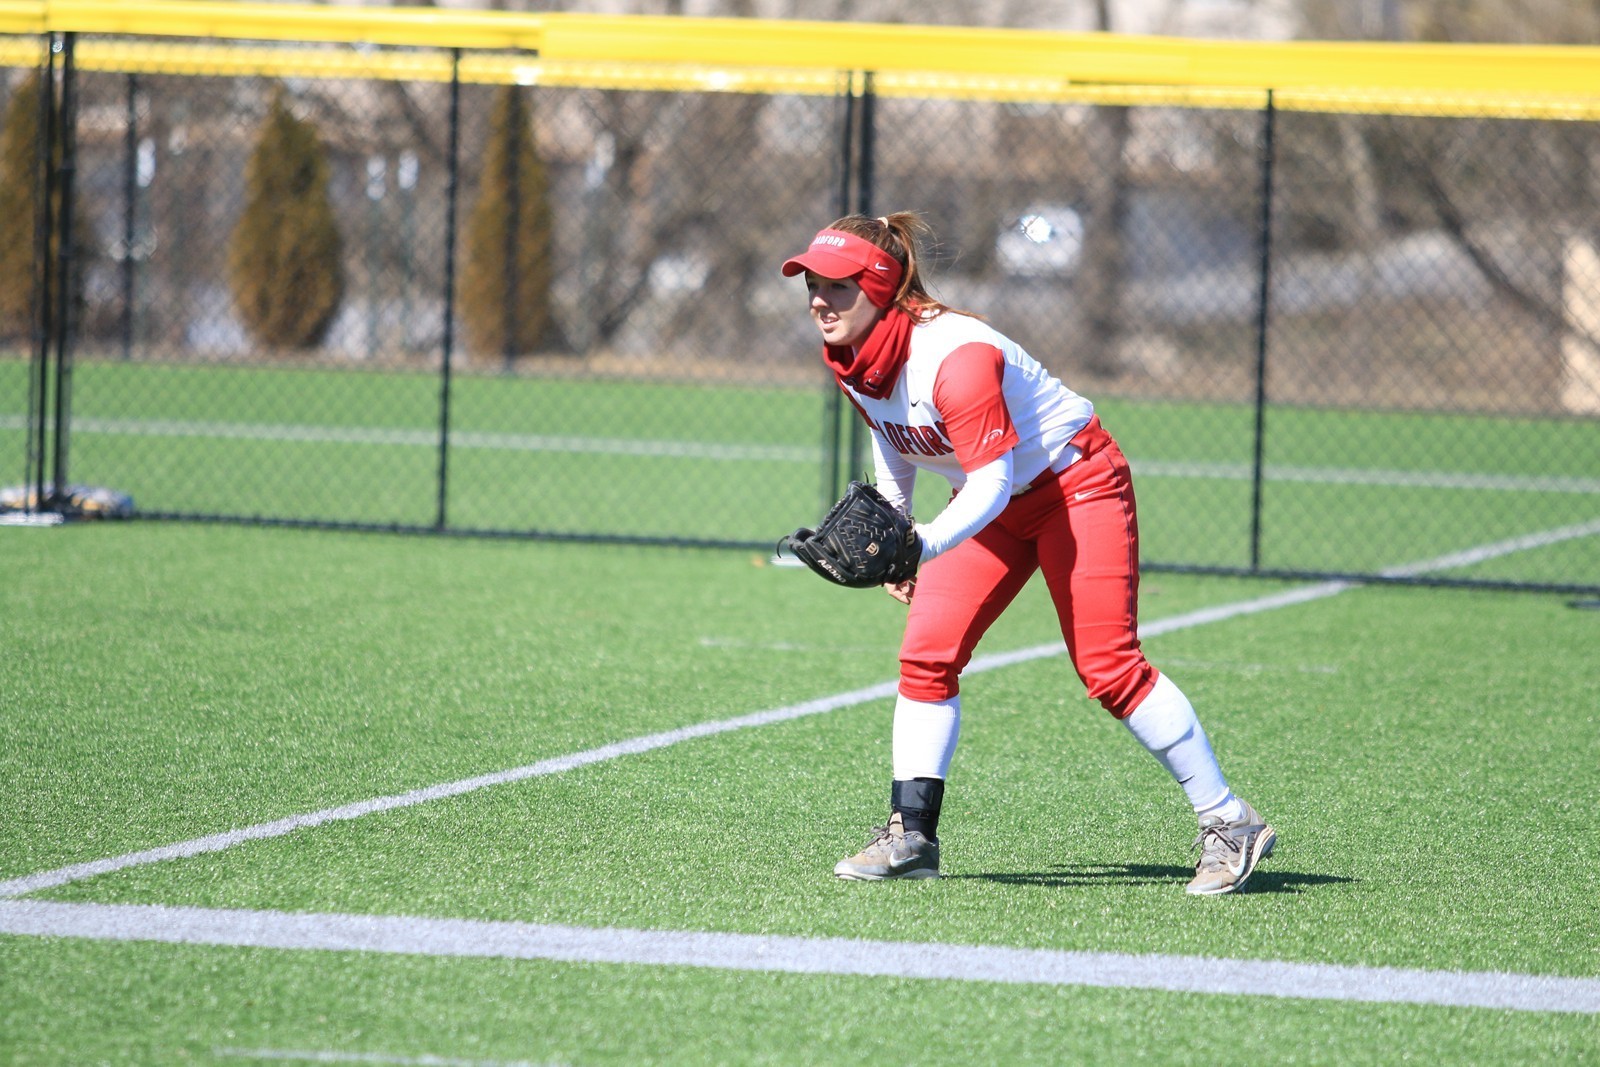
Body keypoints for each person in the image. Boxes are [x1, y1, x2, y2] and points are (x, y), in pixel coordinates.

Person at [780, 211, 1275, 895]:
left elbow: (993, 479)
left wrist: (922, 542)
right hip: (991, 503)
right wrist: (893, 528)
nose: (817, 298)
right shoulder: (852, 353)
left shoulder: (956, 357)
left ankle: (1230, 821)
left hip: (1074, 485)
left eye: (836, 284)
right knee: (926, 655)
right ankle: (911, 833)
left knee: (1109, 667)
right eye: (811, 280)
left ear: (880, 285)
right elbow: (892, 434)